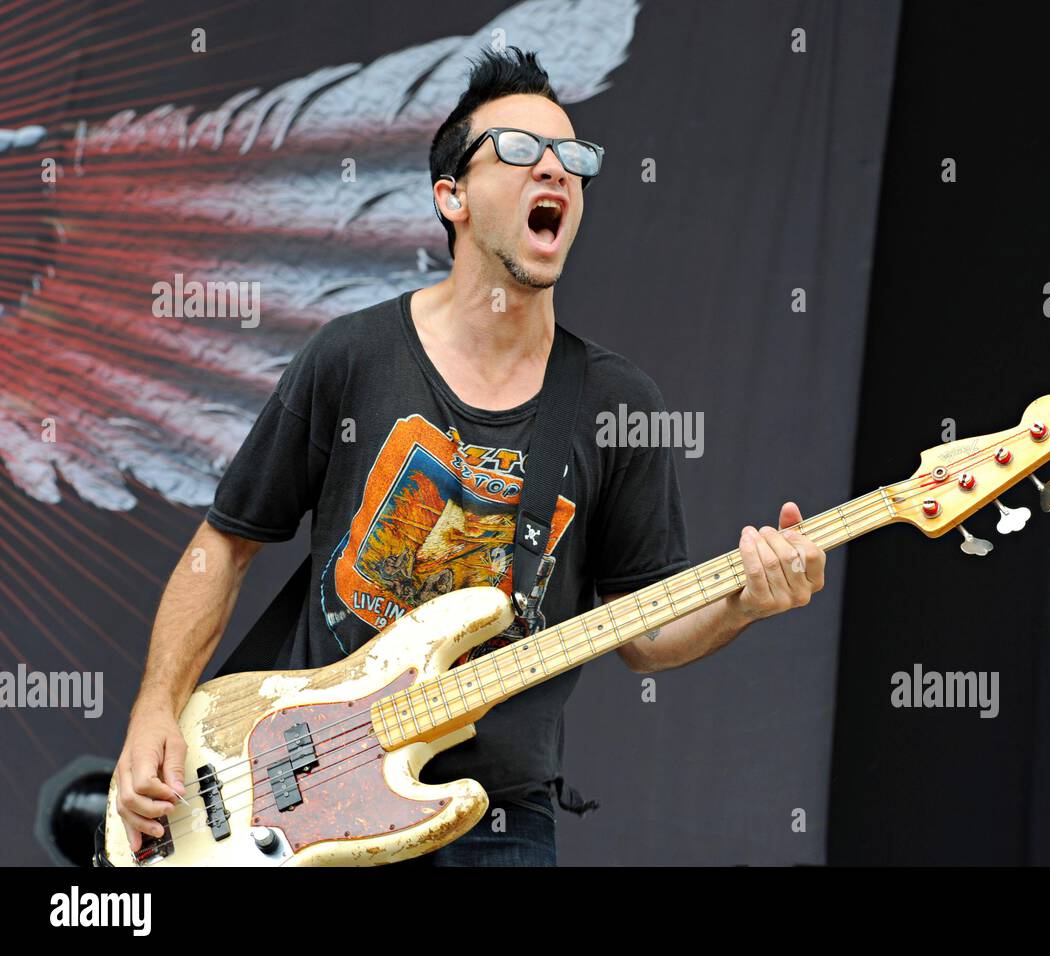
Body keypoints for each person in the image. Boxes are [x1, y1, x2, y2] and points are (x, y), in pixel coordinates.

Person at [111, 45, 826, 867]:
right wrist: (153, 712)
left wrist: (744, 600)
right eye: (520, 152)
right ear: (450, 196)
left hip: (495, 819)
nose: (554, 173)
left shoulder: (616, 404)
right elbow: (225, 543)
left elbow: (645, 633)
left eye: (573, 160)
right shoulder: (354, 356)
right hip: (299, 798)